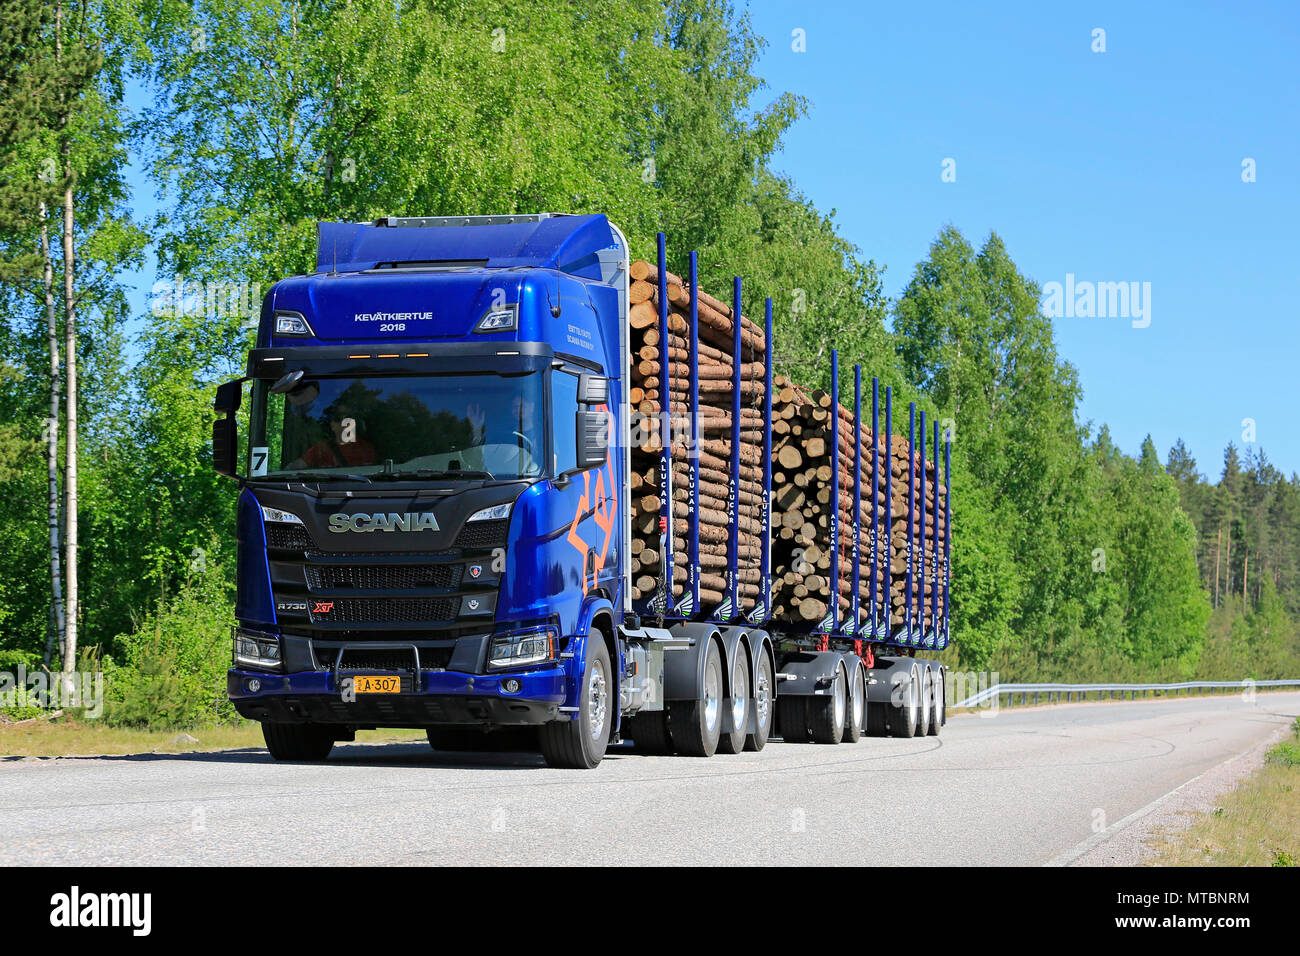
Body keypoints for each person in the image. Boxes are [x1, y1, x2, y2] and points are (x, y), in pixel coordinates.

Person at [287, 405, 376, 469]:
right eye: (338, 418)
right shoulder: (321, 449)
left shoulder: (365, 448)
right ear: (332, 425)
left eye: (348, 417)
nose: (346, 422)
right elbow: (294, 468)